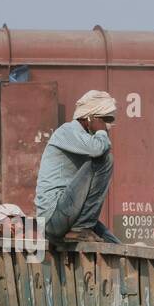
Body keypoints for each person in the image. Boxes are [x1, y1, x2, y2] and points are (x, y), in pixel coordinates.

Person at [35, 90, 119, 244]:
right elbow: (98, 149)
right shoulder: (67, 131)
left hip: (67, 215)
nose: (107, 126)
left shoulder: (83, 139)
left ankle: (81, 228)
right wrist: (100, 130)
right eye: (105, 119)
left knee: (113, 244)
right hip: (53, 217)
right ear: (90, 117)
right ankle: (81, 229)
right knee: (105, 159)